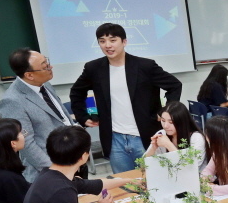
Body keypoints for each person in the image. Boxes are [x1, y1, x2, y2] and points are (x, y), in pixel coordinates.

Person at [69, 23, 183, 174]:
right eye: (102, 41)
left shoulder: (145, 66)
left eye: (112, 40)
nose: (107, 45)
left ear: (124, 42)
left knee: (155, 180)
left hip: (146, 136)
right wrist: (83, 116)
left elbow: (174, 85)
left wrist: (165, 113)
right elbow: (76, 92)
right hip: (115, 139)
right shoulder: (94, 68)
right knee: (125, 183)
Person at [18, 125, 138, 203]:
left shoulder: (49, 175)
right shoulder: (61, 189)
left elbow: (91, 185)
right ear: (84, 156)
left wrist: (126, 181)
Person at [0, 48, 77, 182]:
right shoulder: (11, 101)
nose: (50, 67)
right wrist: (55, 170)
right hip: (48, 172)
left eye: (47, 62)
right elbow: (26, 145)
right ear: (29, 75)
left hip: (72, 160)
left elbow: (61, 118)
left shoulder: (45, 84)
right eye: (45, 66)